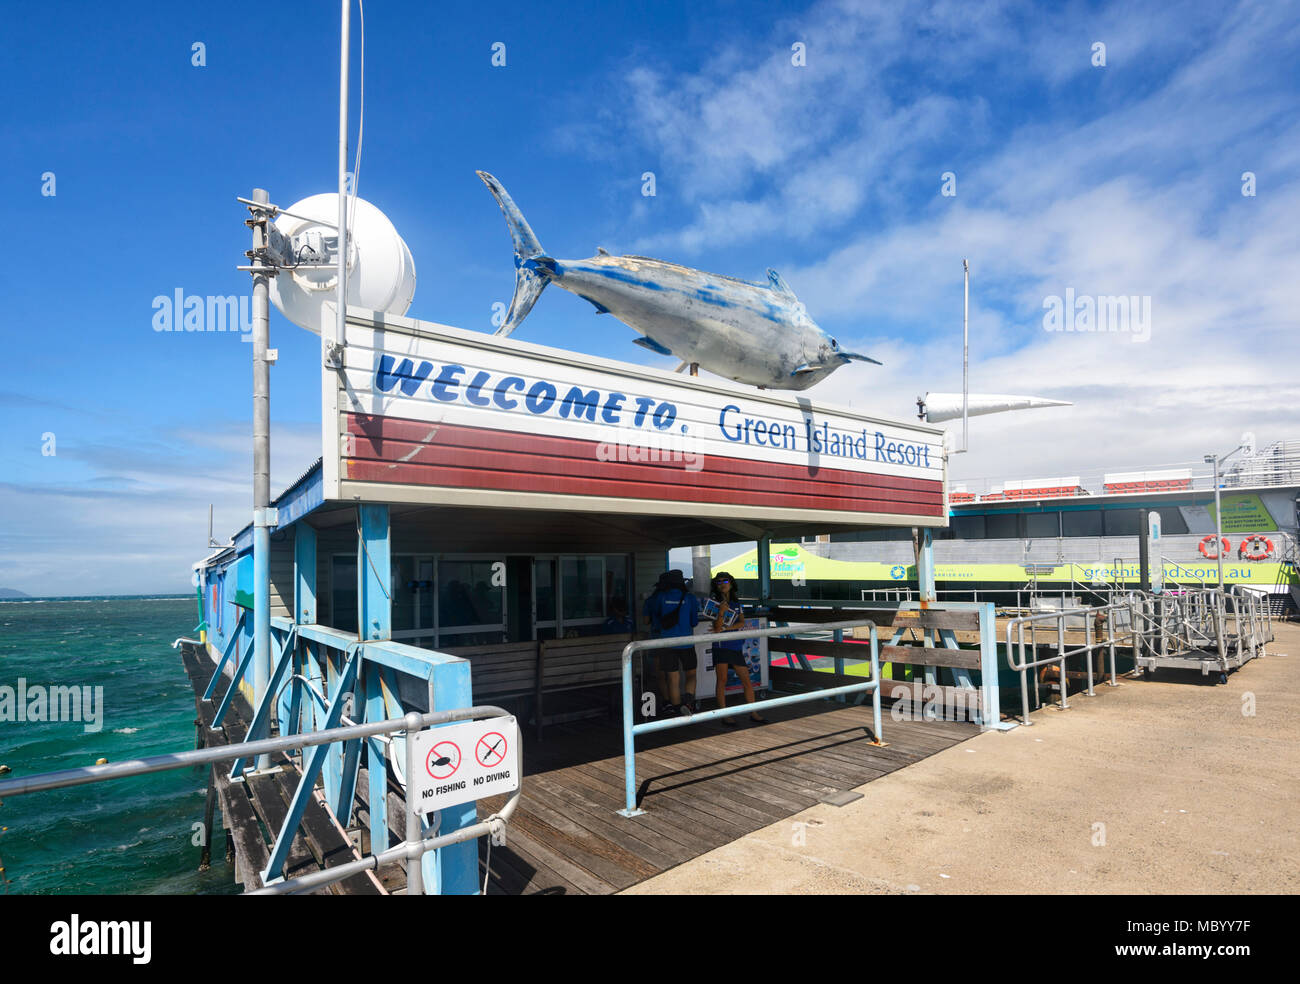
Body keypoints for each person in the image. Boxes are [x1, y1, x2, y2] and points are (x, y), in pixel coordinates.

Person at [708, 571, 766, 725]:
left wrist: (727, 629)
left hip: (734, 645)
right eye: (718, 582)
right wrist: (721, 612)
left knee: (746, 680)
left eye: (725, 581)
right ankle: (724, 714)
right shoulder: (713, 602)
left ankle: (753, 712)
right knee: (722, 680)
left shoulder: (735, 602)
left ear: (731, 583)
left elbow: (741, 623)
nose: (722, 584)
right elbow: (716, 627)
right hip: (720, 645)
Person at [642, 570, 700, 716]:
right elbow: (694, 622)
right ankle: (688, 703)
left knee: (672, 679)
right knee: (691, 675)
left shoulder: (660, 597)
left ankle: (676, 709)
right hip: (687, 642)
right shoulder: (690, 598)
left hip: (666, 643)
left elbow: (654, 619)